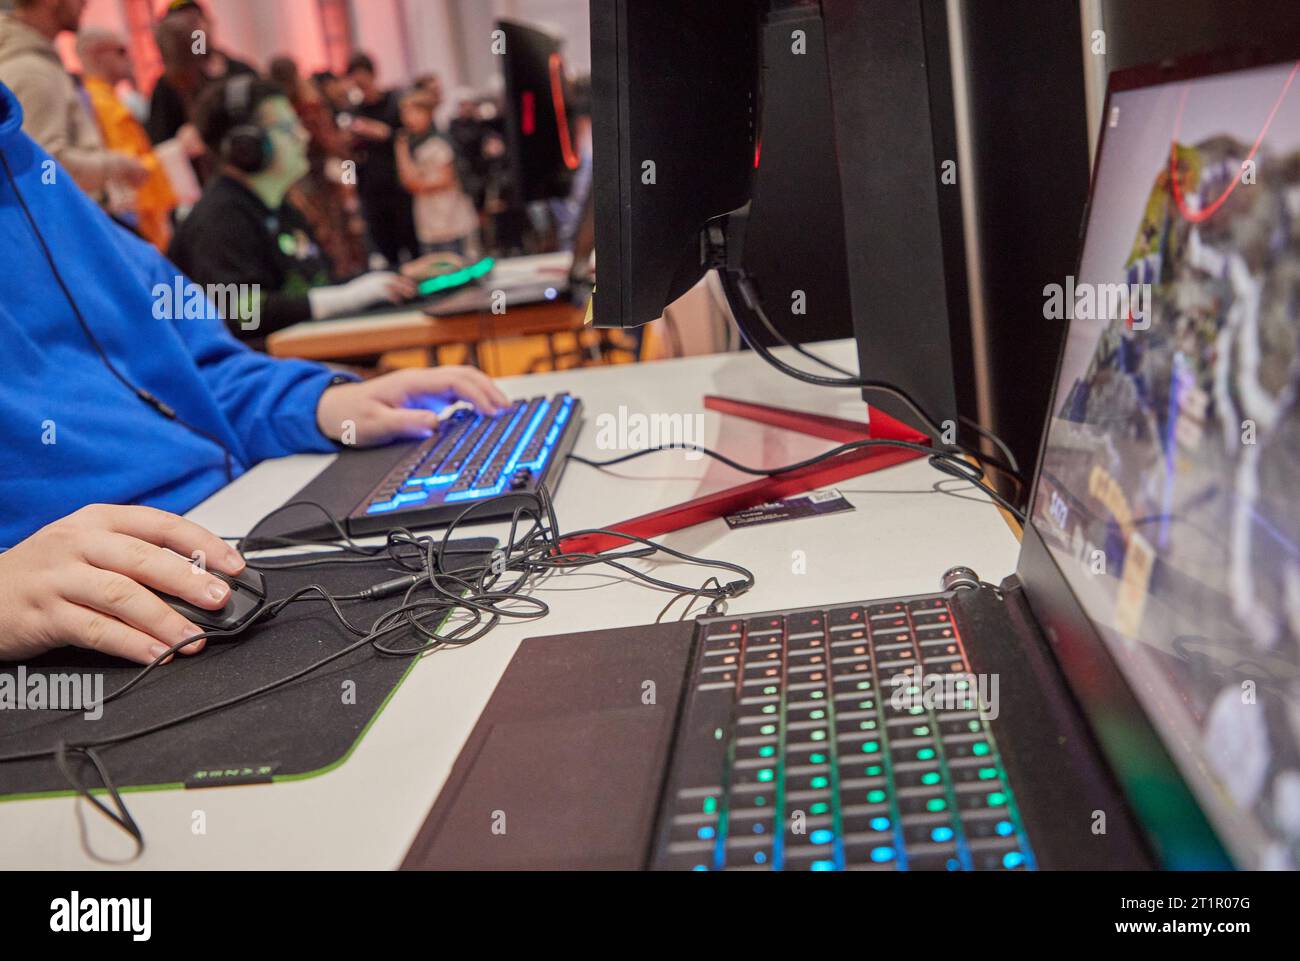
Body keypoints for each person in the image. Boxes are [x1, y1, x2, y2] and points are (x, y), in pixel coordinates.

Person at [0, 80, 508, 666]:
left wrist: (318, 402)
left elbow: (200, 367)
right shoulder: (220, 219)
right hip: (93, 624)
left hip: (236, 527)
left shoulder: (36, 178)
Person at [169, 77, 416, 348]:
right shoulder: (219, 219)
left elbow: (318, 287)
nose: (304, 135)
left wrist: (399, 274)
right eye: (288, 127)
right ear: (245, 146)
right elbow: (239, 311)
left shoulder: (280, 209)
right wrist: (348, 297)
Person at [0, 0, 147, 198]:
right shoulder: (33, 72)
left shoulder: (38, 63)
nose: (86, 3)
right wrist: (116, 166)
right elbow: (43, 168)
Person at [77, 26, 178, 251]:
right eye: (121, 51)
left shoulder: (108, 100)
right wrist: (176, 152)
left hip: (148, 220)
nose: (131, 58)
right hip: (137, 222)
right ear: (97, 55)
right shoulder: (99, 105)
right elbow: (130, 170)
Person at [269, 54, 366, 279]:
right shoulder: (308, 107)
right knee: (332, 230)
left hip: (293, 180)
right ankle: (339, 275)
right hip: (316, 178)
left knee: (314, 232)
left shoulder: (278, 107)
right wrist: (344, 146)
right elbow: (330, 143)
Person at [146, 0, 254, 177]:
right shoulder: (168, 85)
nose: (196, 33)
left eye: (195, 22)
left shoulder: (240, 70)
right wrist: (180, 145)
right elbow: (160, 142)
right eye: (185, 26)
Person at [344, 52, 419, 266]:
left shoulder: (394, 103)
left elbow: (409, 137)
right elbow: (348, 160)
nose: (360, 85)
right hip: (370, 188)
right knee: (385, 245)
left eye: (362, 79)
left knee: (411, 240)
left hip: (399, 184)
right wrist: (350, 187)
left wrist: (385, 133)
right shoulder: (353, 112)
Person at [396, 87, 478, 257]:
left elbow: (445, 179)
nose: (408, 119)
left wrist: (418, 184)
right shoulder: (409, 144)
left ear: (428, 113)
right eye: (405, 114)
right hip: (428, 221)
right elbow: (407, 180)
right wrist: (401, 150)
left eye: (414, 113)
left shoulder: (439, 143)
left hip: (450, 218)